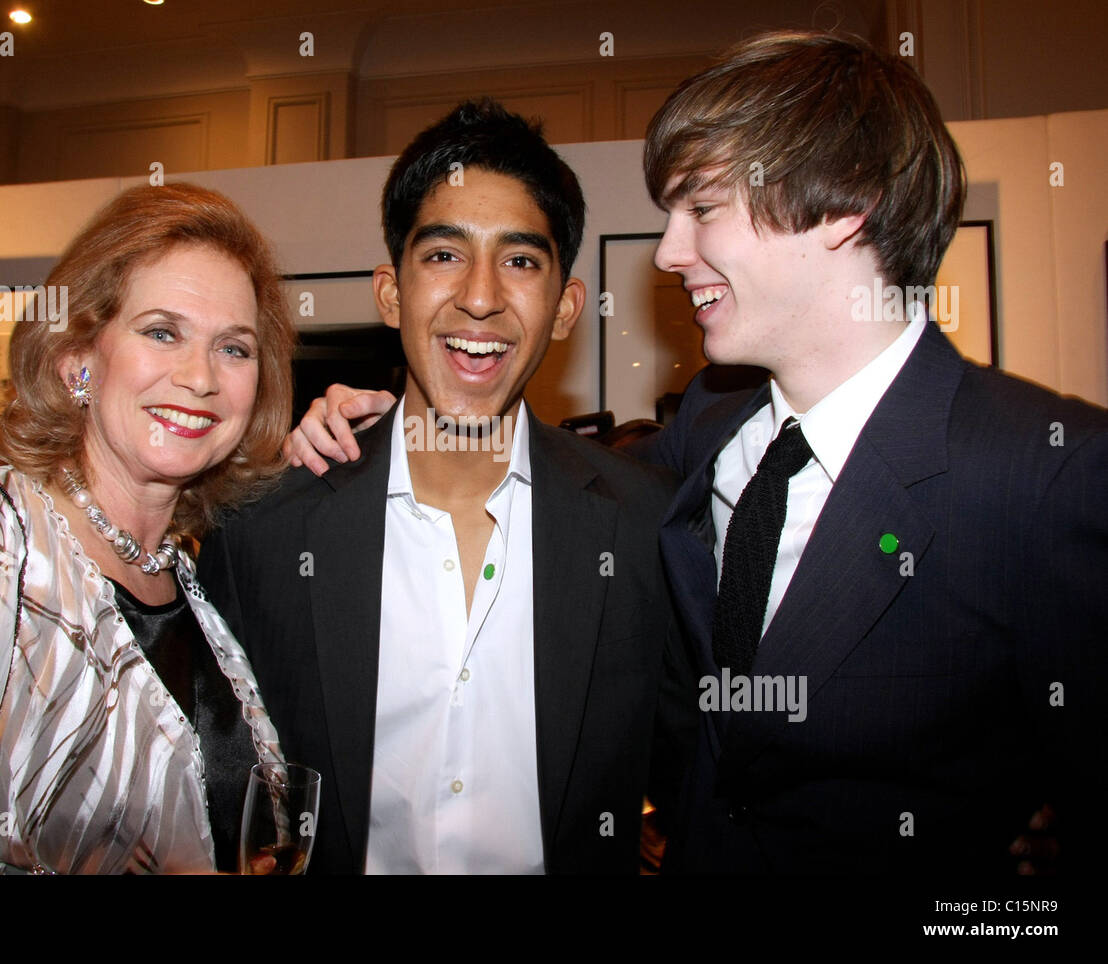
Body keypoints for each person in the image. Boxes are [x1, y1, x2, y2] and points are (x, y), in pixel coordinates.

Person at [287, 33, 1108, 874]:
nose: (671, 251)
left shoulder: (1050, 476)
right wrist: (384, 422)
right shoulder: (711, 430)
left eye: (703, 208)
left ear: (845, 201)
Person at [199, 100, 686, 874]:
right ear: (390, 294)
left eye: (521, 260)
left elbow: (702, 789)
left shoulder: (646, 527)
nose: (482, 297)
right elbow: (215, 805)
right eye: (445, 255)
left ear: (565, 308)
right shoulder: (265, 529)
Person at [0, 182, 294, 874]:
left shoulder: (190, 581)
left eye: (235, 349)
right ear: (78, 364)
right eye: (162, 332)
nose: (201, 377)